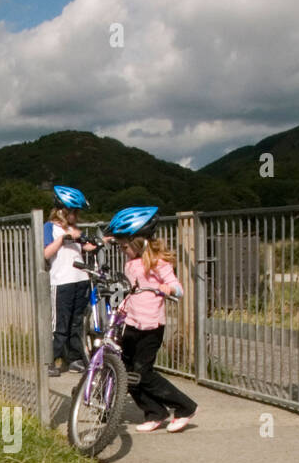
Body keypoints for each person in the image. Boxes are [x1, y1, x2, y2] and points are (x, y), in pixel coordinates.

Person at [108, 206, 198, 433]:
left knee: (143, 373)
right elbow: (133, 289)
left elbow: (179, 289)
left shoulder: (157, 262)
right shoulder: (131, 263)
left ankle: (185, 407)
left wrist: (167, 288)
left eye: (125, 246)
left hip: (151, 327)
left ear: (138, 243)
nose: (122, 250)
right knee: (126, 372)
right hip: (131, 323)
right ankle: (155, 412)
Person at [44, 185, 97, 377]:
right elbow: (45, 253)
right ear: (63, 211)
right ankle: (51, 360)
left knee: (76, 323)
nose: (76, 216)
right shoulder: (50, 228)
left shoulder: (74, 230)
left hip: (80, 279)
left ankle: (74, 359)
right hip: (61, 282)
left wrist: (103, 240)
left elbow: (87, 247)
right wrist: (63, 238)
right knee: (60, 324)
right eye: (74, 212)